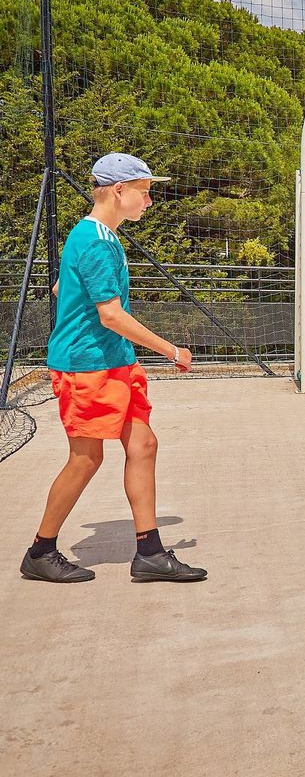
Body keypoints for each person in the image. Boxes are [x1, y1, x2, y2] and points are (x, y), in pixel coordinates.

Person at [19, 153, 207, 583]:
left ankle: (150, 552)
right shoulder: (96, 241)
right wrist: (171, 350)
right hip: (87, 367)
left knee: (144, 445)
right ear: (119, 191)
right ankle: (40, 552)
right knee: (86, 459)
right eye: (145, 192)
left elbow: (61, 287)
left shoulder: (98, 236)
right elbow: (110, 315)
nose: (149, 201)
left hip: (115, 362)